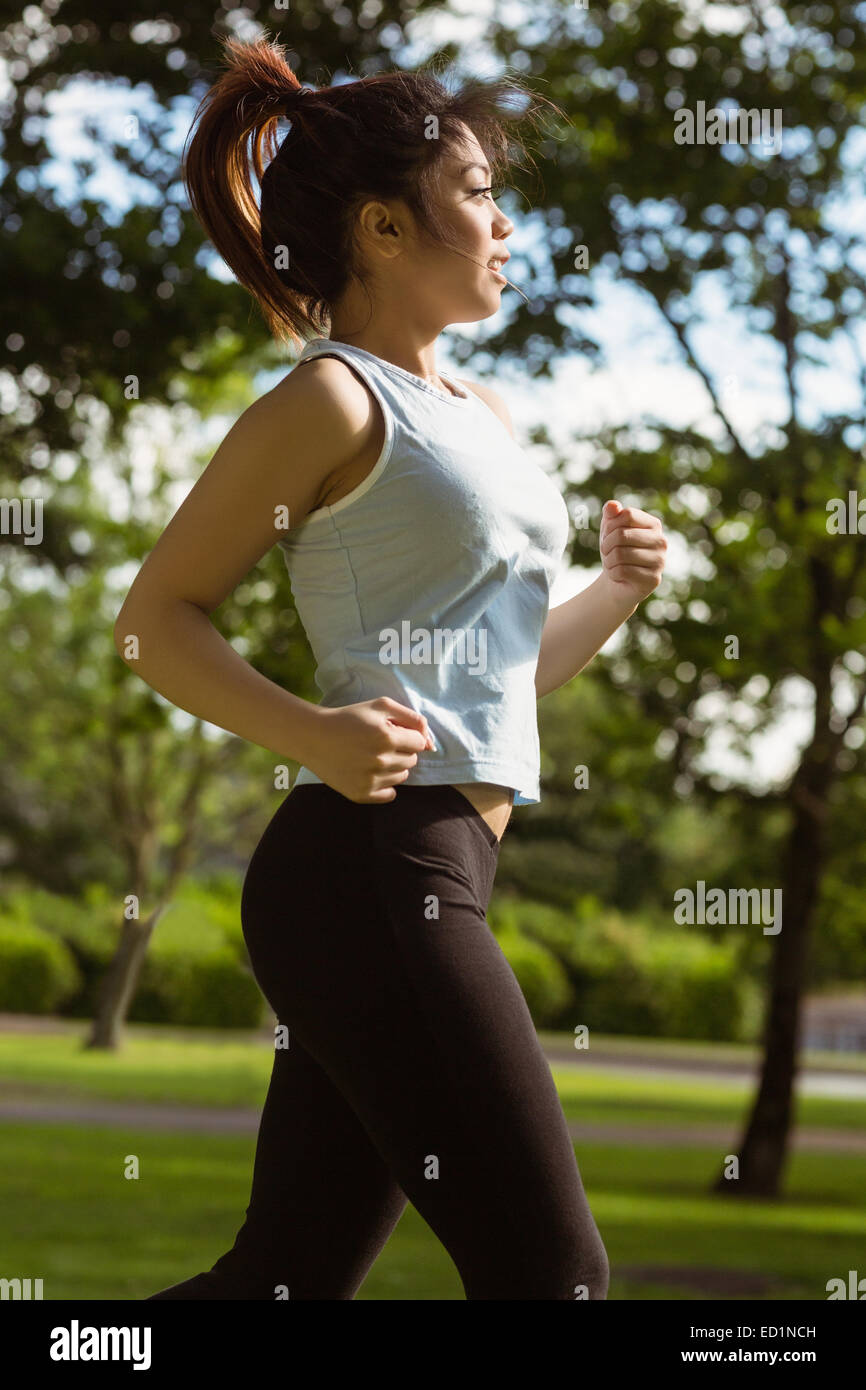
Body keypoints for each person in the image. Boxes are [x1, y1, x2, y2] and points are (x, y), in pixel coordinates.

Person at [120, 35, 667, 1300]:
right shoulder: (331, 402)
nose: (504, 222)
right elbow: (155, 619)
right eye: (475, 191)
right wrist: (312, 732)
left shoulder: (483, 415)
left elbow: (501, 682)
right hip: (370, 865)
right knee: (555, 1274)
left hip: (429, 861)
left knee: (287, 1274)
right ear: (379, 227)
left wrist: (614, 592)